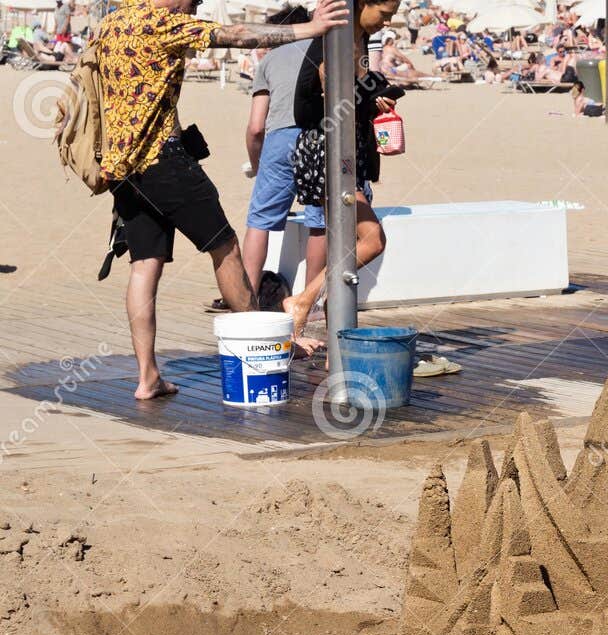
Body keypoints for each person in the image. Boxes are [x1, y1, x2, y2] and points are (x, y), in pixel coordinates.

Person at [97, 0, 348, 401]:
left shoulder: (113, 22)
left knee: (144, 265)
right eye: (194, 1)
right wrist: (310, 29)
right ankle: (264, 350)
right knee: (225, 248)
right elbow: (235, 35)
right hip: (165, 162)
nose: (195, 7)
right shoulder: (161, 22)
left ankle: (148, 378)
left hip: (122, 166)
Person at [281, 0, 404, 346]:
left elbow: (349, 95)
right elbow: (319, 103)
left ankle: (336, 333)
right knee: (372, 240)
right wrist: (365, 94)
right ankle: (302, 301)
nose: (388, 21)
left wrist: (375, 95)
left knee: (345, 243)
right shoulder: (335, 37)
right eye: (384, 13)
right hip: (328, 150)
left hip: (341, 148)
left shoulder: (357, 39)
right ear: (363, 4)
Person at [240, 6, 316, 303]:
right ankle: (311, 301)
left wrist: (259, 166)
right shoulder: (328, 51)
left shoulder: (271, 59)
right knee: (318, 222)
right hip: (320, 136)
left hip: (280, 138)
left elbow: (256, 127)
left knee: (260, 221)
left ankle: (246, 298)